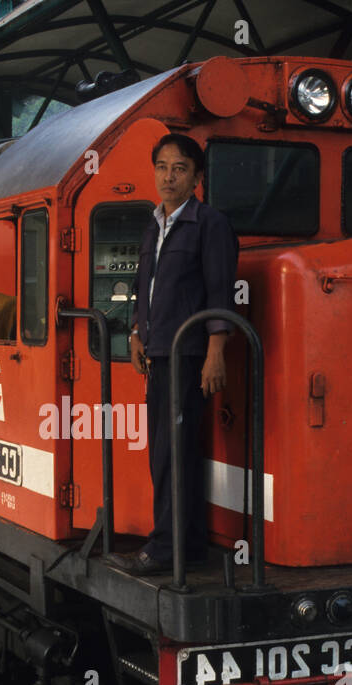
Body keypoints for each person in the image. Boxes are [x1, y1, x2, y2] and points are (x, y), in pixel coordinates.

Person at [108, 133, 237, 575]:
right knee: (163, 451)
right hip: (159, 352)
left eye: (179, 168)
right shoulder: (154, 225)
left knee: (173, 453)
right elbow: (147, 288)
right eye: (162, 167)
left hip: (189, 355)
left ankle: (167, 549)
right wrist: (137, 333)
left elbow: (220, 292)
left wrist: (215, 351)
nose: (169, 176)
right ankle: (188, 547)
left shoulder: (209, 224)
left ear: (196, 178)